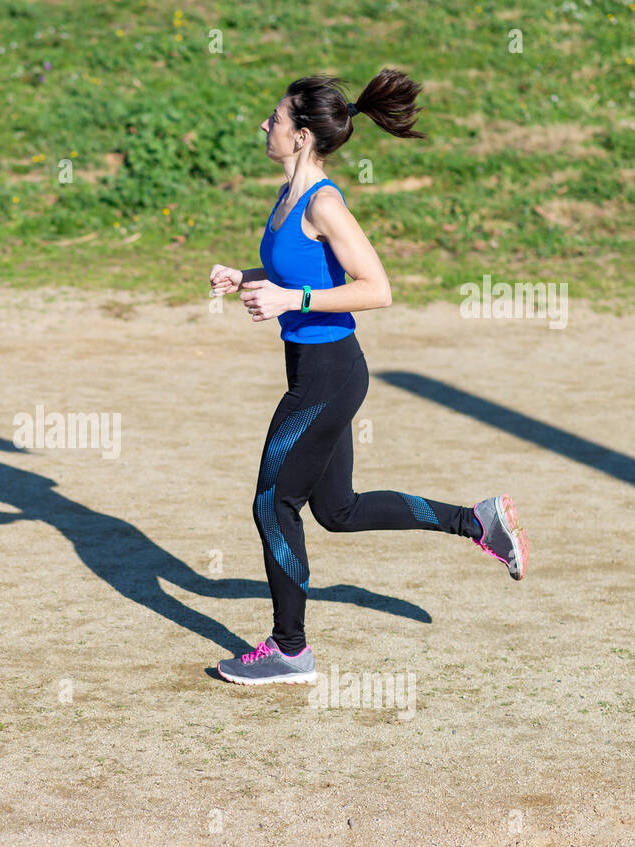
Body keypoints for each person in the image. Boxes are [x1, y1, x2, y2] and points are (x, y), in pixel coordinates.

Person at [208, 69, 529, 686]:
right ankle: (477, 520)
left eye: (274, 119)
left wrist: (288, 301)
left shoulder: (324, 201)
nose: (264, 126)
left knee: (273, 503)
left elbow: (376, 290)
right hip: (314, 368)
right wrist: (246, 277)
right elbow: (304, 274)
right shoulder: (285, 197)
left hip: (327, 376)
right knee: (339, 510)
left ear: (302, 136)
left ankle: (289, 649)